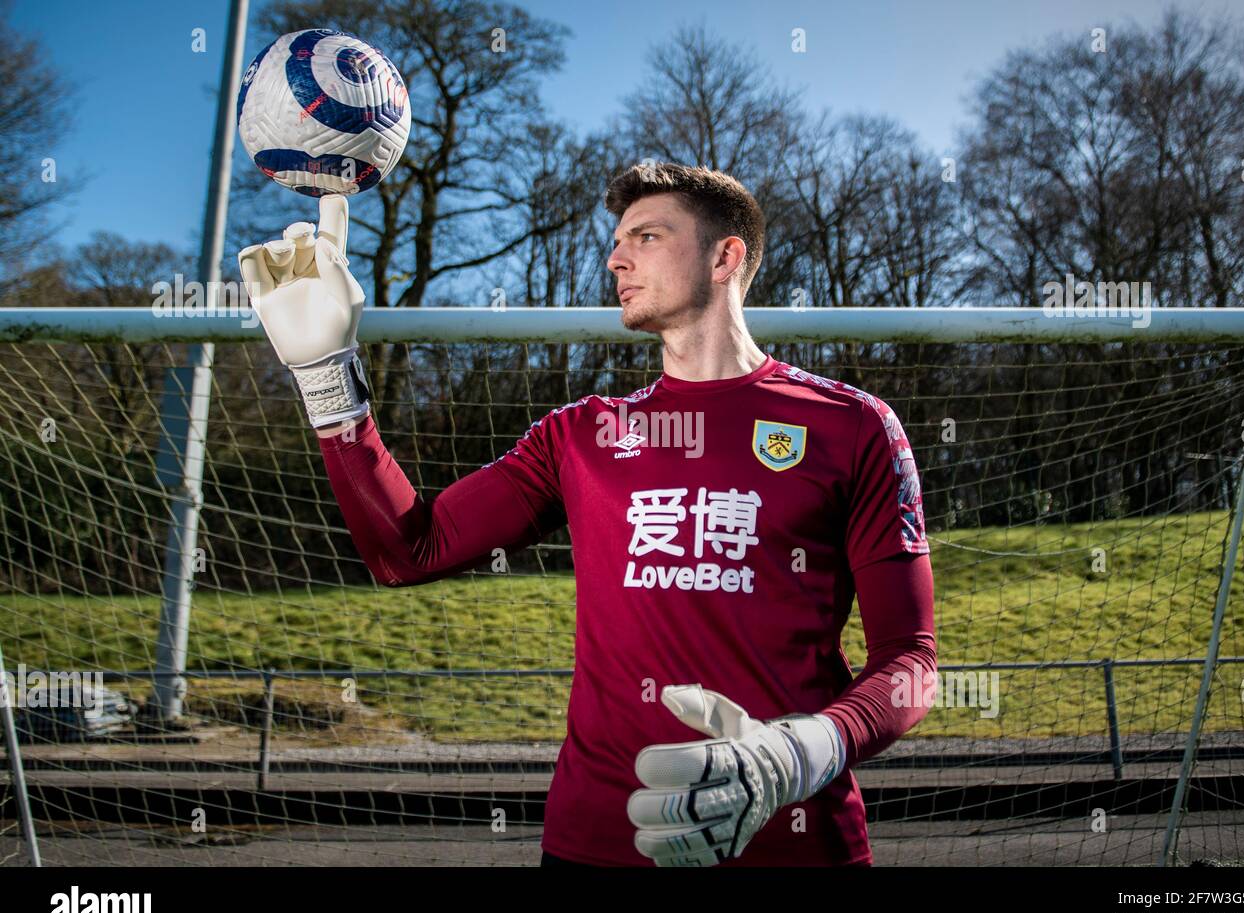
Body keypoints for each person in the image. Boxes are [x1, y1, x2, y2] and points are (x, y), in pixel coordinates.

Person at [238, 162, 937, 867]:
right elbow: (407, 552)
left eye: (647, 235)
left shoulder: (853, 426)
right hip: (600, 842)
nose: (615, 257)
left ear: (725, 256)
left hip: (797, 840)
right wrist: (328, 380)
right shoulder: (580, 435)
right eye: (617, 239)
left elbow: (910, 661)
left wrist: (798, 752)